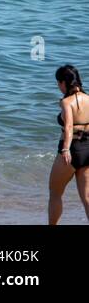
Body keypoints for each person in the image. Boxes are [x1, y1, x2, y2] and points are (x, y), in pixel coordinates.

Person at [49, 64, 89, 224]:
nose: (59, 87)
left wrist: (66, 149)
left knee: (55, 193)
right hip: (88, 150)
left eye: (58, 83)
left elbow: (69, 126)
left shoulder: (67, 102)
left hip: (72, 149)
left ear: (63, 83)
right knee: (86, 197)